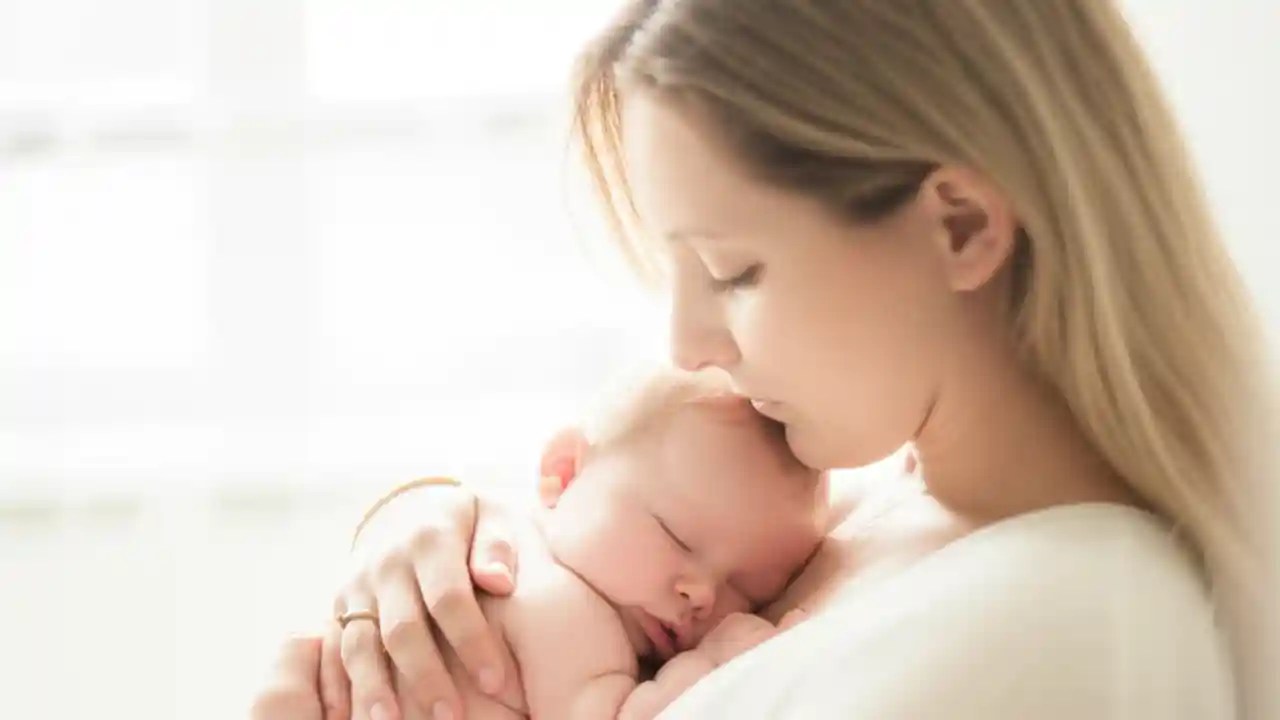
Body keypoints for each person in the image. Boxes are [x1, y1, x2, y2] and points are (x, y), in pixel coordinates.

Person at [251, 1, 1279, 719]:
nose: (687, 344)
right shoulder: (877, 506)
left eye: (733, 271)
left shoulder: (1072, 618)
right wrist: (438, 535)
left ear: (960, 226)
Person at [389, 368, 828, 719]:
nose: (703, 594)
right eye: (676, 537)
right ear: (565, 471)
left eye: (748, 592)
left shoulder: (499, 537)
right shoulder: (567, 607)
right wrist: (719, 657)